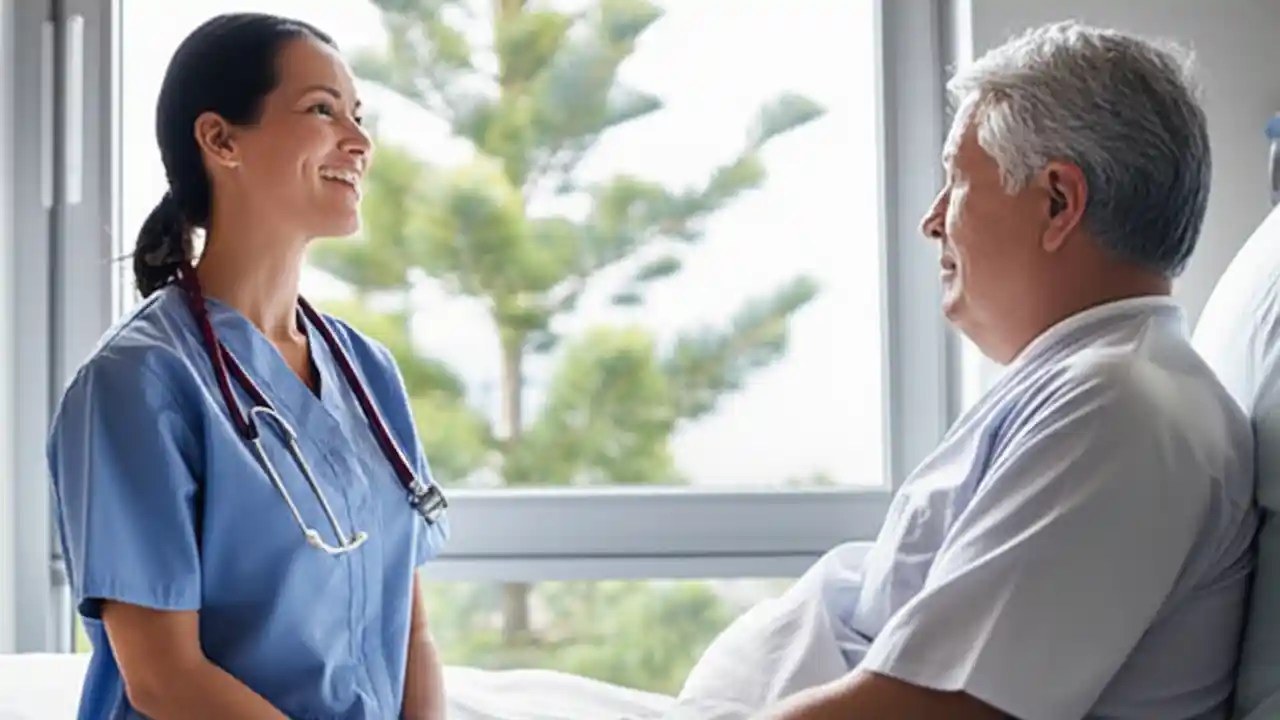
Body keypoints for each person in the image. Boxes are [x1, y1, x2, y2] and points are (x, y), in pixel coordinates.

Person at [672, 21, 1258, 720]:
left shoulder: (1120, 409)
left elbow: (937, 710)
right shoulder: (1097, 386)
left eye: (956, 181)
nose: (932, 220)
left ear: (1057, 203)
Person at [46, 13, 449, 720]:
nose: (359, 142)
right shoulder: (137, 384)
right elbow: (165, 680)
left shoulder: (367, 373)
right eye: (322, 111)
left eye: (358, 116)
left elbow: (410, 632)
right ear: (220, 139)